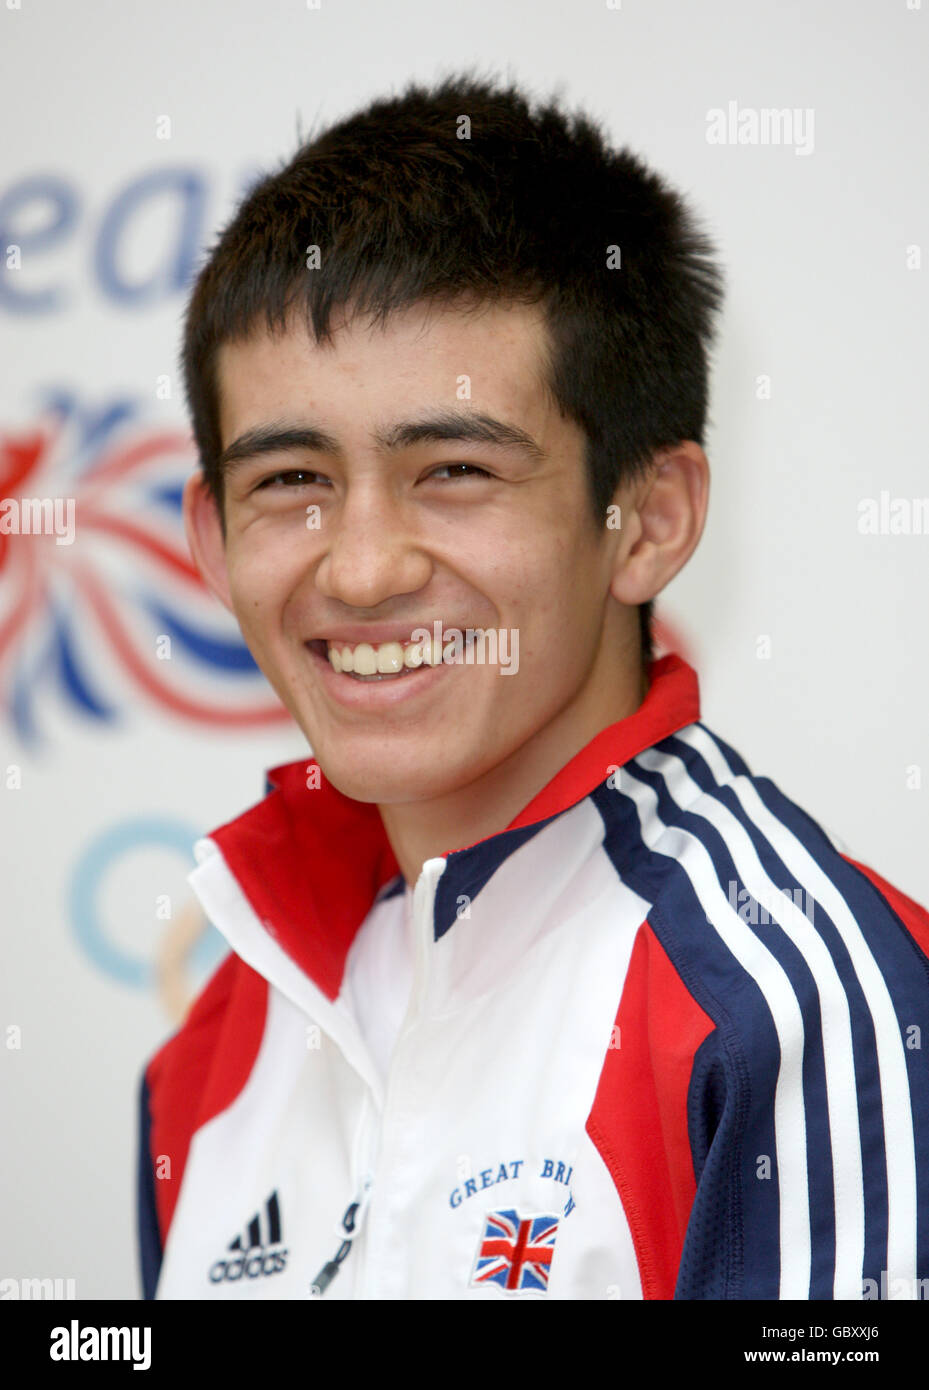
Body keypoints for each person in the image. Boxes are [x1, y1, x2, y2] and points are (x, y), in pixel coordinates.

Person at [137, 70, 929, 1301]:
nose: (361, 567)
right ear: (210, 537)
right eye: (290, 479)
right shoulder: (211, 1047)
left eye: (454, 468)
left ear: (648, 520)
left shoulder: (794, 1002)